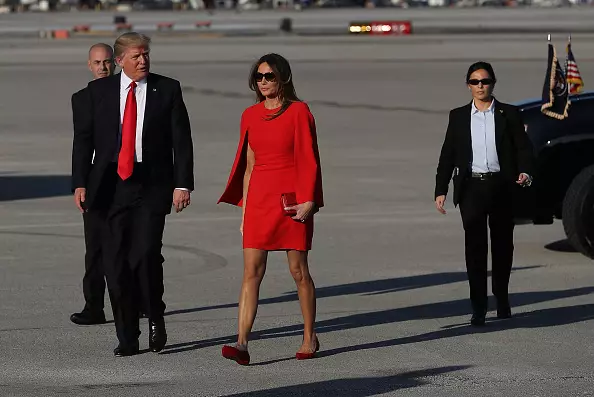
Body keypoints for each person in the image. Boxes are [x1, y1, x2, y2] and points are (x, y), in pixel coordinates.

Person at [71, 32, 194, 356]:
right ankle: (127, 336)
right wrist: (79, 182)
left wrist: (182, 184)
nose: (143, 61)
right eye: (137, 56)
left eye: (146, 55)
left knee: (145, 256)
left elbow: (181, 141)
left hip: (151, 184)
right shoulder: (98, 92)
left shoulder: (166, 89)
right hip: (110, 187)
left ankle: (155, 316)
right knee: (115, 264)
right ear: (121, 60)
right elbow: (83, 140)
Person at [218, 53, 324, 365]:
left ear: (283, 78)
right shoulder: (250, 114)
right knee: (251, 271)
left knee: (298, 272)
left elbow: (310, 158)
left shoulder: (299, 112)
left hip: (292, 200)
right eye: (259, 77)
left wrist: (310, 200)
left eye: (270, 77)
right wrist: (245, 211)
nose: (263, 82)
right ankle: (241, 343)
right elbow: (248, 167)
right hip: (260, 200)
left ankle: (309, 335)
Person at [434, 61, 534, 326]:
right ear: (468, 85)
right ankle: (478, 307)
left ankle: (501, 299)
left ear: (493, 84)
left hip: (502, 186)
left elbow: (523, 148)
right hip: (471, 189)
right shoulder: (457, 116)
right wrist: (440, 189)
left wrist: (525, 171)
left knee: (502, 247)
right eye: (475, 82)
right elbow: (448, 155)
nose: (481, 86)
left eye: (485, 81)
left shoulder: (508, 113)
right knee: (475, 249)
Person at [70, 43, 115, 326]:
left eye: (107, 62)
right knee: (95, 247)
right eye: (97, 62)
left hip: (127, 180)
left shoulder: (129, 94)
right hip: (97, 183)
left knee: (136, 247)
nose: (102, 67)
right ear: (89, 65)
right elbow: (81, 143)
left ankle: (142, 303)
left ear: (116, 63)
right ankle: (94, 306)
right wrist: (80, 183)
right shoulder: (82, 98)